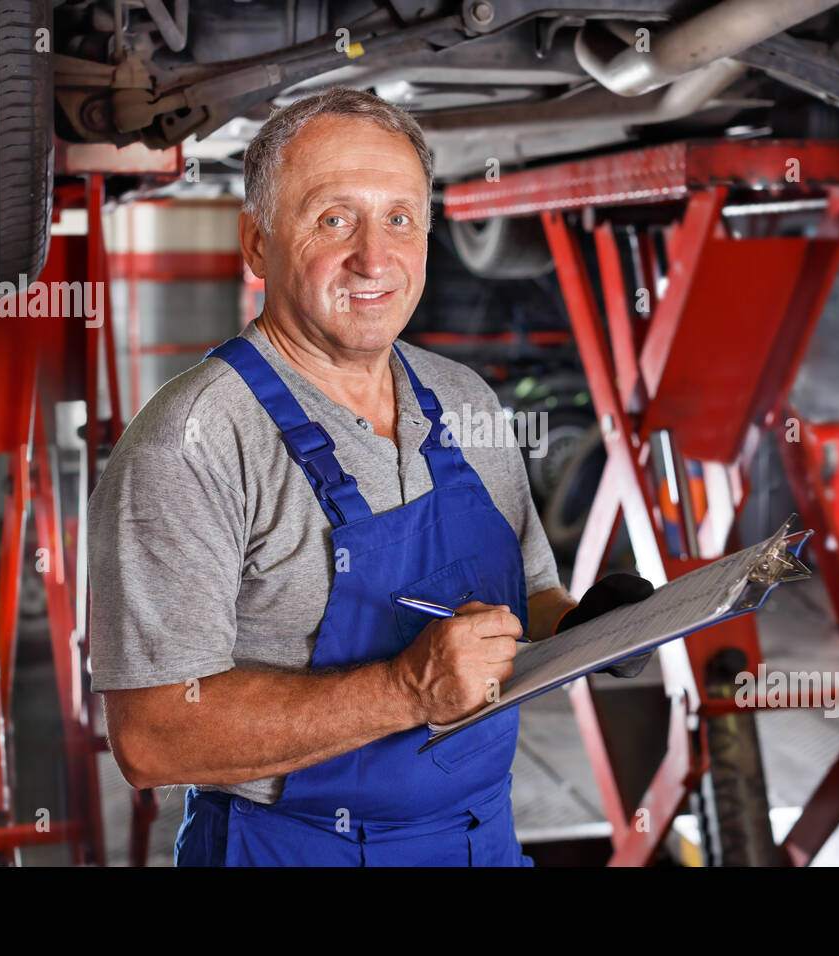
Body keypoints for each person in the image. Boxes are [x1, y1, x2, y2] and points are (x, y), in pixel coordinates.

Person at [87, 87, 650, 867]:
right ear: (256, 243)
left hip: (478, 839)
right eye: (333, 218)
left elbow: (525, 599)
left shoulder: (464, 399)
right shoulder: (194, 443)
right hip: (291, 851)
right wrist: (406, 691)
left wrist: (584, 628)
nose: (374, 258)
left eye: (399, 218)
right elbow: (151, 737)